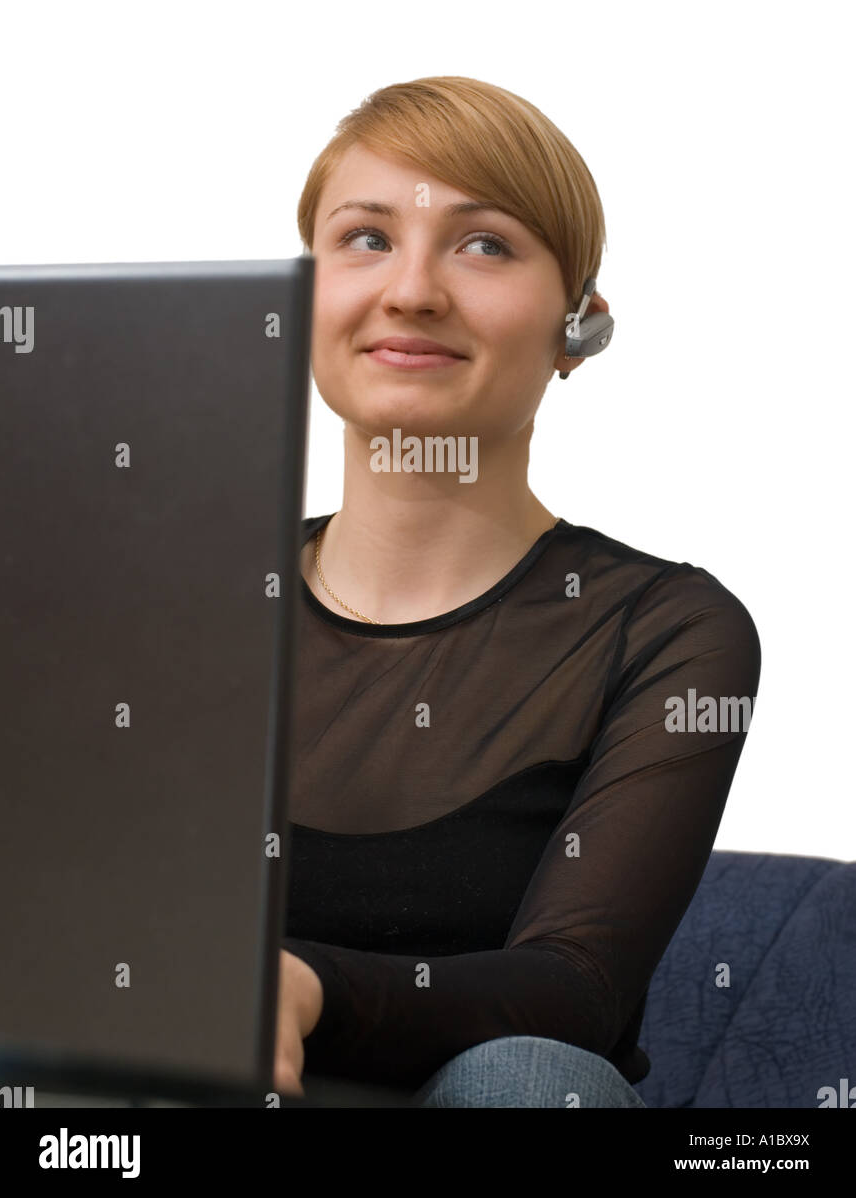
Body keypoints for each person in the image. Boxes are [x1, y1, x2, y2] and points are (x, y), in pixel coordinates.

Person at [273, 76, 761, 1107]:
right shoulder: (175, 600)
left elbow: (577, 989)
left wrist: (308, 989)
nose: (410, 290)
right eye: (364, 237)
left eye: (484, 243)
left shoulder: (668, 630)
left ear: (579, 323)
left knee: (531, 1078)